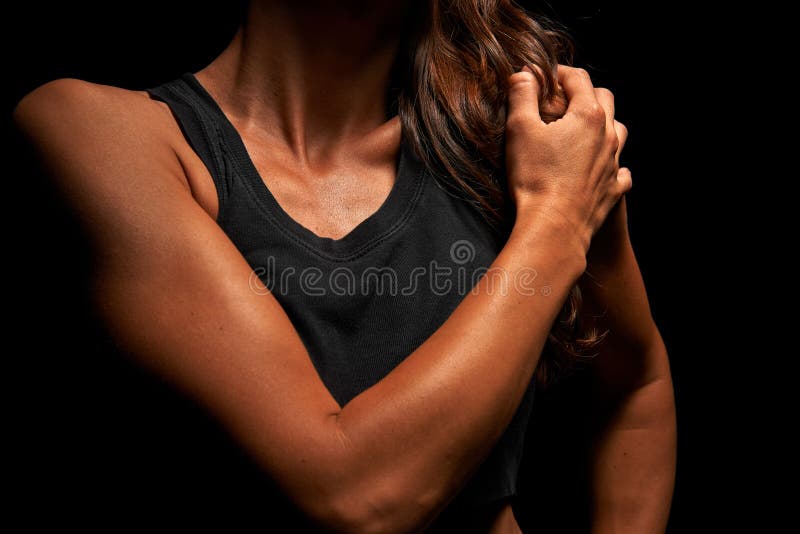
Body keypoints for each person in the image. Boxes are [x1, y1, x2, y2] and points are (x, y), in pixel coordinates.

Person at [13, 0, 676, 532]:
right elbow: (356, 498)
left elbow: (637, 382)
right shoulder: (104, 134)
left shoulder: (513, 132)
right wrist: (556, 219)